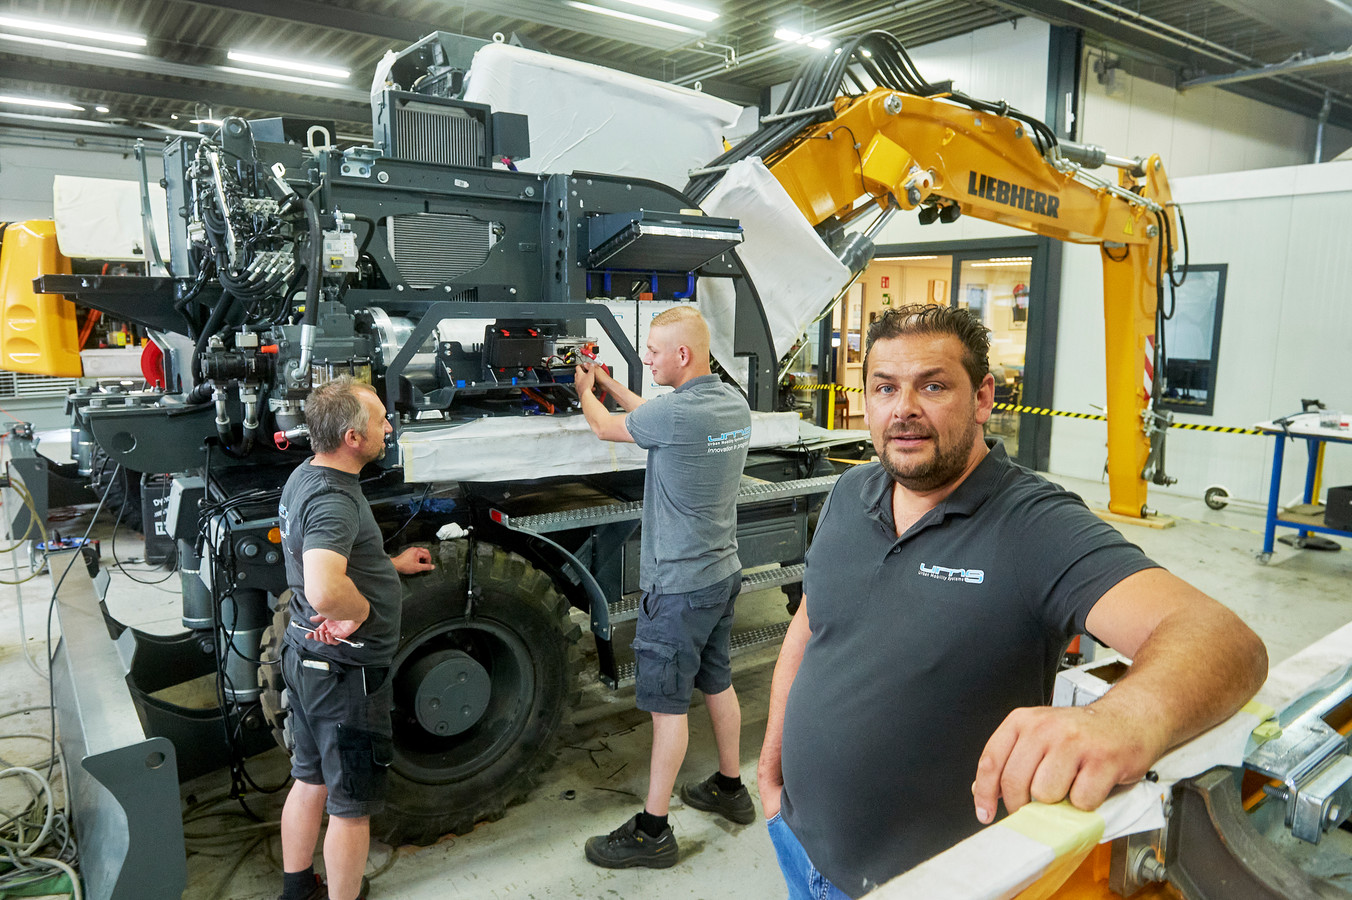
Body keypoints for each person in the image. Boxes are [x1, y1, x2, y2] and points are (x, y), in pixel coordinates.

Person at [758, 304, 1267, 899]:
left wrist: (1121, 720)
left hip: (938, 884)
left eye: (933, 385)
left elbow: (1220, 638)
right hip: (798, 845)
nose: (904, 410)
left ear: (981, 398)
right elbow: (814, 621)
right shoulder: (850, 490)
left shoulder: (1034, 525)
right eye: (885, 388)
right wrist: (773, 769)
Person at [574, 306, 755, 868]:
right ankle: (730, 788)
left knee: (668, 710)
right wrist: (608, 381)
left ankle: (653, 831)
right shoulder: (730, 403)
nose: (645, 358)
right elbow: (652, 415)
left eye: (652, 352)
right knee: (717, 682)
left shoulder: (675, 417)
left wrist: (584, 389)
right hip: (722, 574)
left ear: (683, 355)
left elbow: (609, 428)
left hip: (677, 587)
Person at [276, 376, 434, 900]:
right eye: (380, 421)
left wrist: (385, 567)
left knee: (309, 780)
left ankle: (298, 890)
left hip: (306, 659)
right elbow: (324, 586)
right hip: (345, 675)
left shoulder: (306, 474)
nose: (389, 427)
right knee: (351, 806)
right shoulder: (333, 500)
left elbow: (323, 561)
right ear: (351, 438)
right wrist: (361, 609)